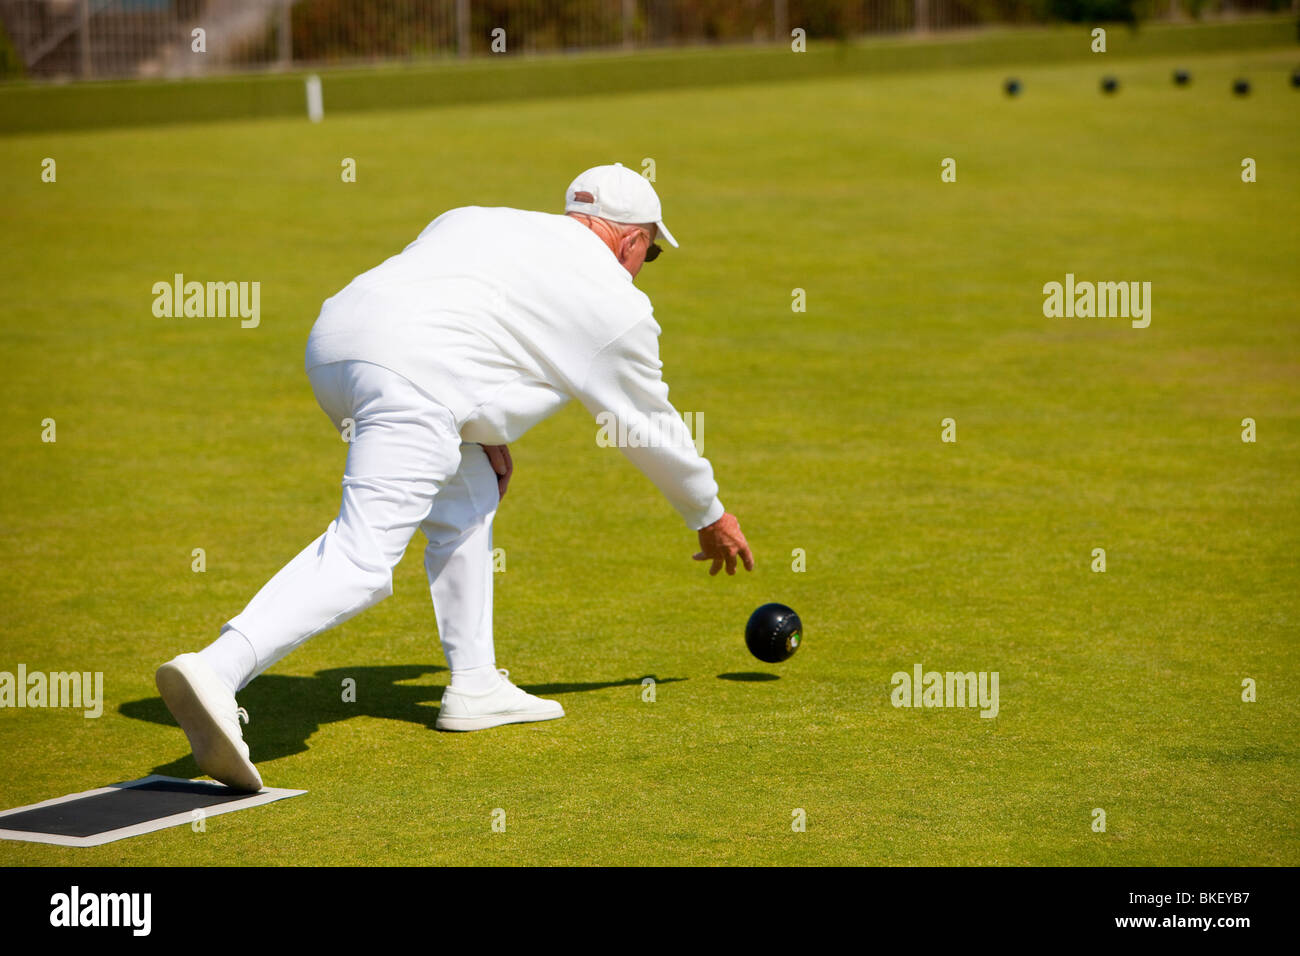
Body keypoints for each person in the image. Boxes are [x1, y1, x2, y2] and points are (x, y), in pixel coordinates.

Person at [155, 163, 754, 791]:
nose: (643, 265)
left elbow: (468, 319)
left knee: (467, 490)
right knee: (363, 558)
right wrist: (708, 514)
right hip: (410, 378)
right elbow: (645, 424)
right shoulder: (614, 301)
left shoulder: (478, 218)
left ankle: (475, 684)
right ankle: (218, 669)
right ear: (631, 239)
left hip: (333, 350)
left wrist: (478, 429)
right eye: (650, 253)